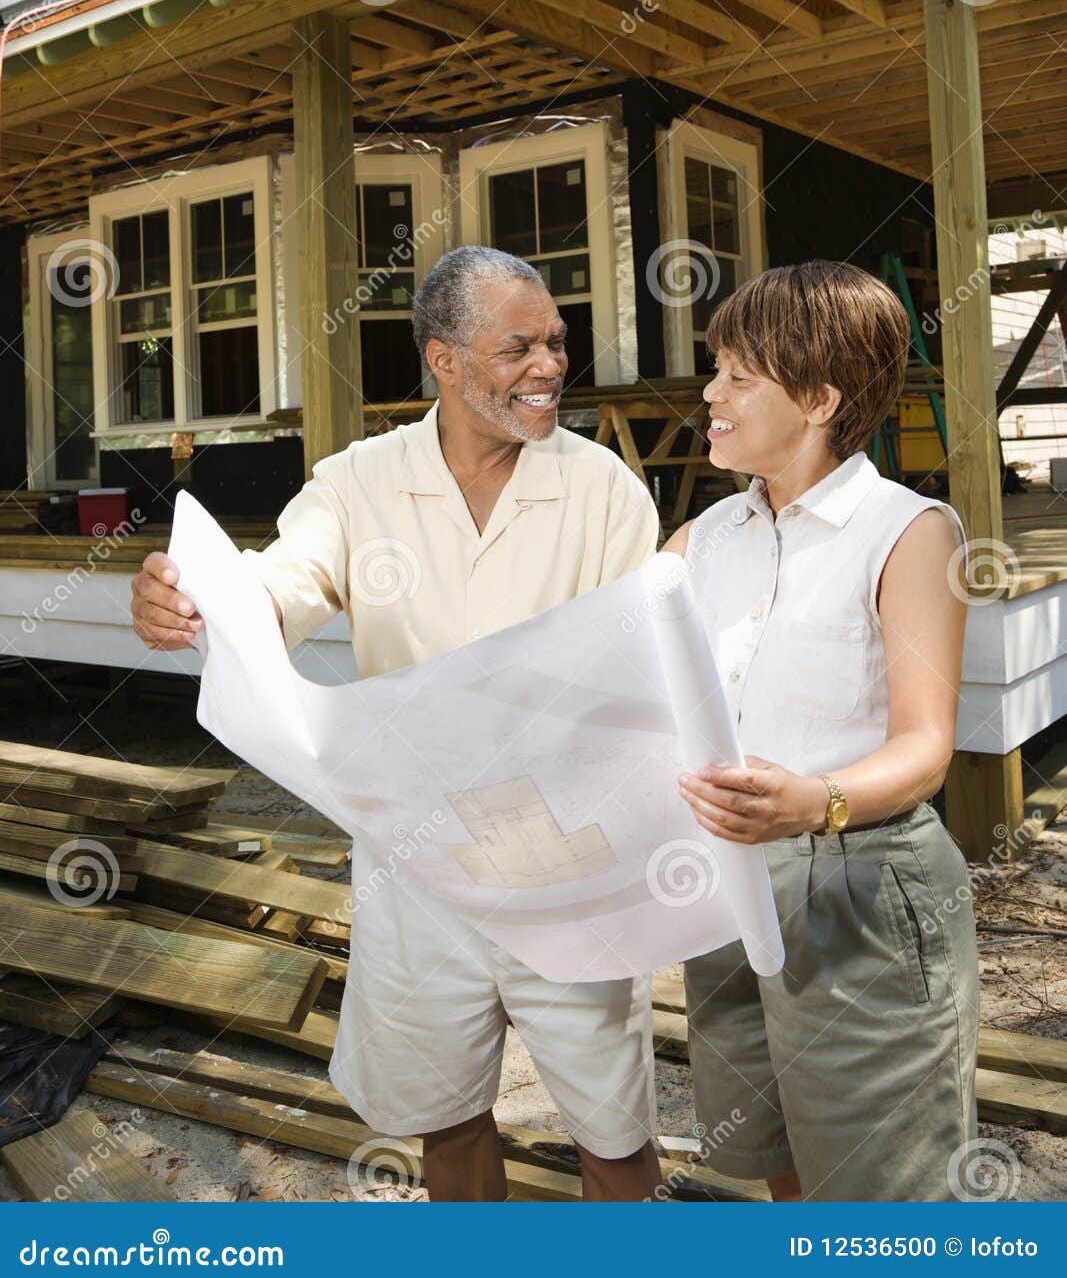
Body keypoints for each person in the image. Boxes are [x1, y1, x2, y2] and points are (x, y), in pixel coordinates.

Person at [131, 245, 662, 1202]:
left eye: (556, 343)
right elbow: (283, 584)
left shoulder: (604, 490)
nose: (549, 367)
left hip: (568, 859)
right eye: (519, 348)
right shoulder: (358, 482)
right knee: (445, 1117)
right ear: (445, 361)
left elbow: (632, 673)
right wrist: (197, 599)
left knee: (612, 1133)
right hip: (415, 857)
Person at [663, 259, 979, 1203]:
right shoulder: (701, 537)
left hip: (863, 890)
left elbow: (926, 748)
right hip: (729, 883)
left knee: (881, 1186)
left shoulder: (909, 530)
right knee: (779, 1154)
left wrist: (815, 800)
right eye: (714, 368)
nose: (709, 394)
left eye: (736, 376)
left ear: (817, 398)